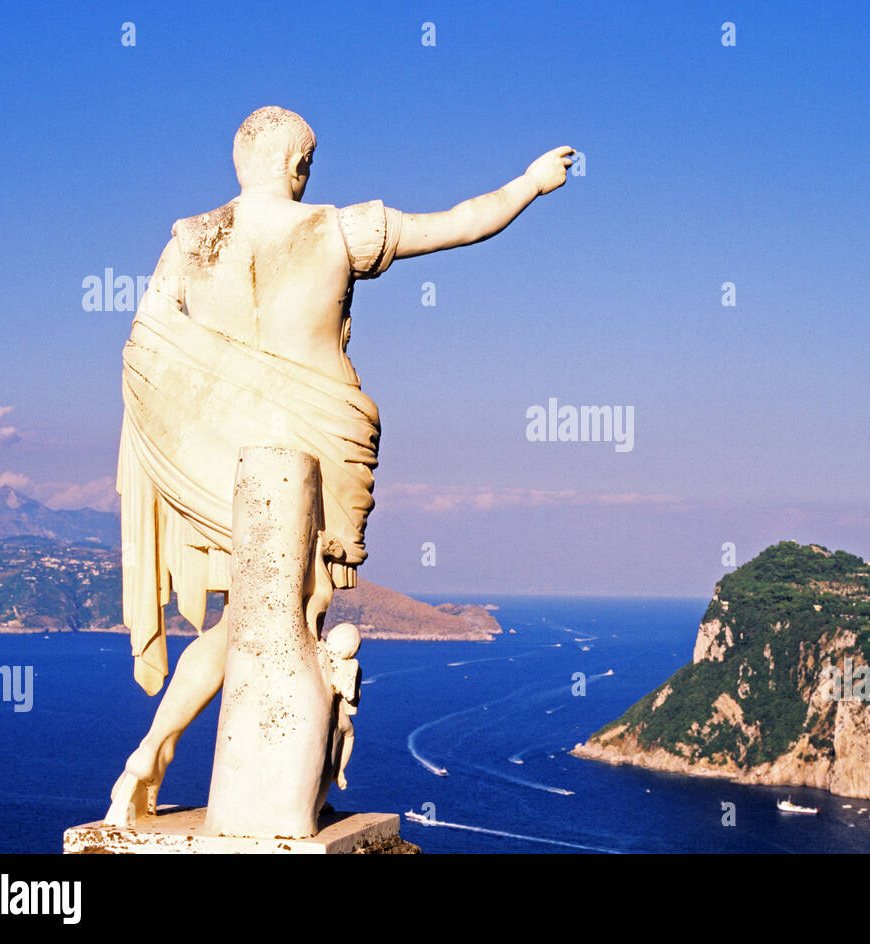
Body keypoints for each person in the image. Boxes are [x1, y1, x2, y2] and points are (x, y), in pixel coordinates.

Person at [105, 106, 572, 825]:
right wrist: (530, 183)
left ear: (238, 161)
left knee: (241, 624)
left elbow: (145, 353)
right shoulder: (337, 228)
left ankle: (155, 759)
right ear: (299, 167)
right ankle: (272, 798)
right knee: (294, 615)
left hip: (227, 463)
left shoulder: (189, 240)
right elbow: (462, 222)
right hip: (314, 451)